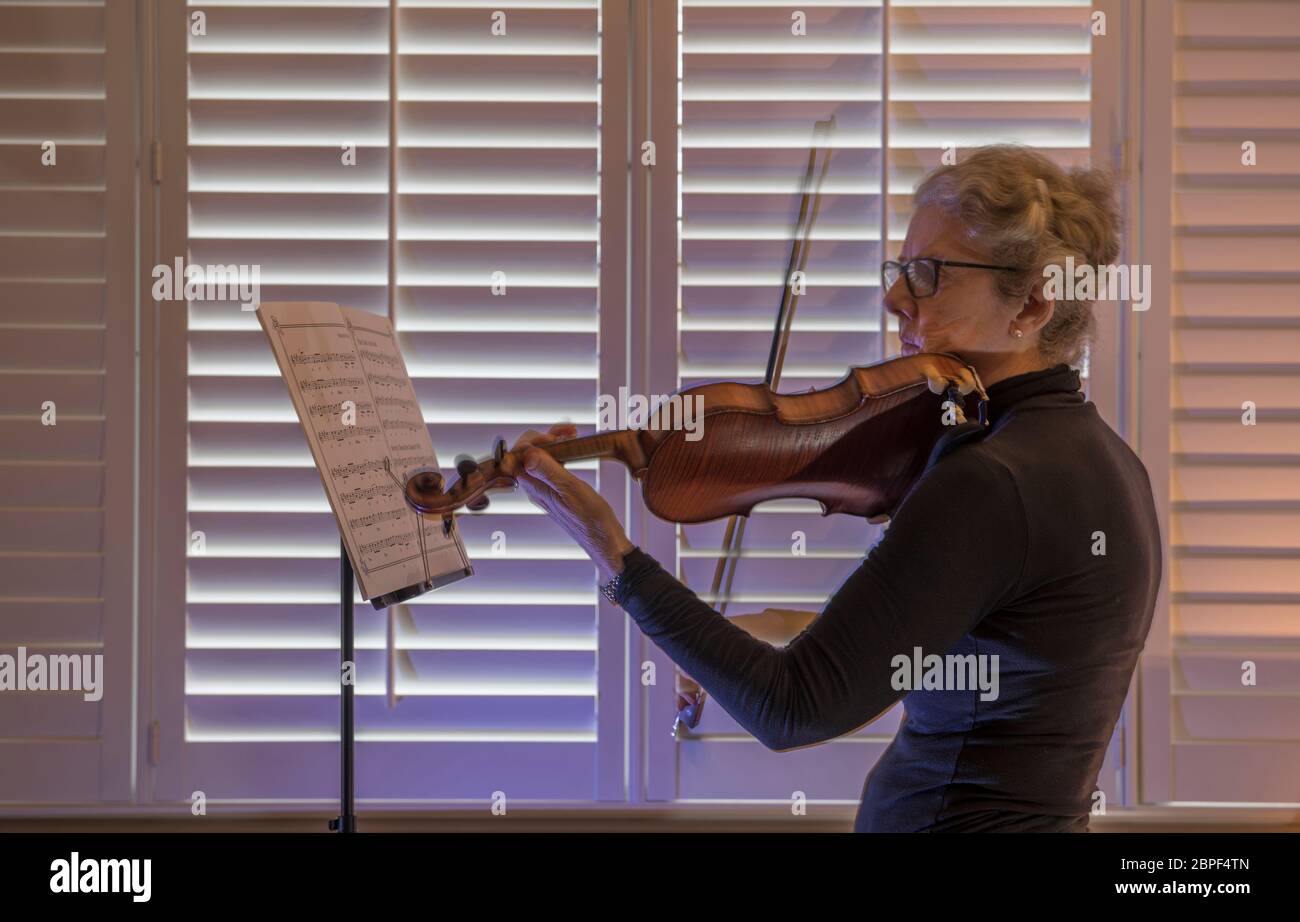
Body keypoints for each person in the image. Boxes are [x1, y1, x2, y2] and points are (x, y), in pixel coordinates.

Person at [510, 144, 1162, 832]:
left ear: (1030, 304)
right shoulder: (1106, 461)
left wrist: (610, 551)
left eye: (927, 273)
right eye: (900, 268)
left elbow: (792, 708)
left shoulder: (990, 481)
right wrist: (770, 629)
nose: (893, 298)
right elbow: (974, 641)